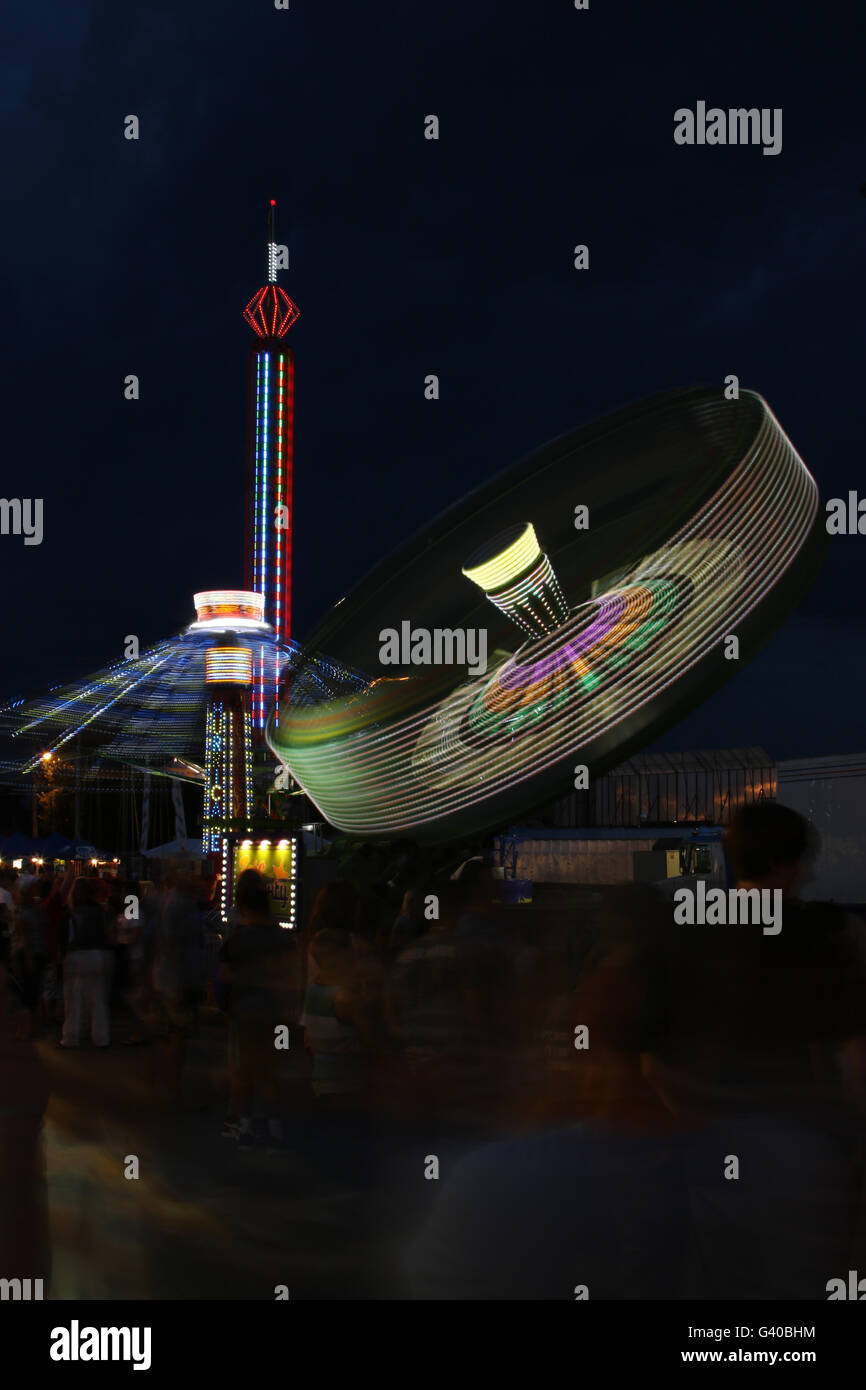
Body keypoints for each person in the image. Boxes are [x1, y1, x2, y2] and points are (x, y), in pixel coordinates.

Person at [218, 869, 297, 1149]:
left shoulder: (237, 938)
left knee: (242, 1070)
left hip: (245, 1012)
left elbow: (225, 975)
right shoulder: (280, 936)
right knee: (268, 1071)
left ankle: (242, 1126)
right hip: (275, 1013)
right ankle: (273, 1127)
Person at [60, 876, 112, 1048]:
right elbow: (106, 933)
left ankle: (71, 1037)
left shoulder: (72, 911)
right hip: (97, 954)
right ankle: (100, 1037)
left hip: (77, 953)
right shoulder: (99, 910)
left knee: (73, 999)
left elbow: (68, 936)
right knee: (97, 999)